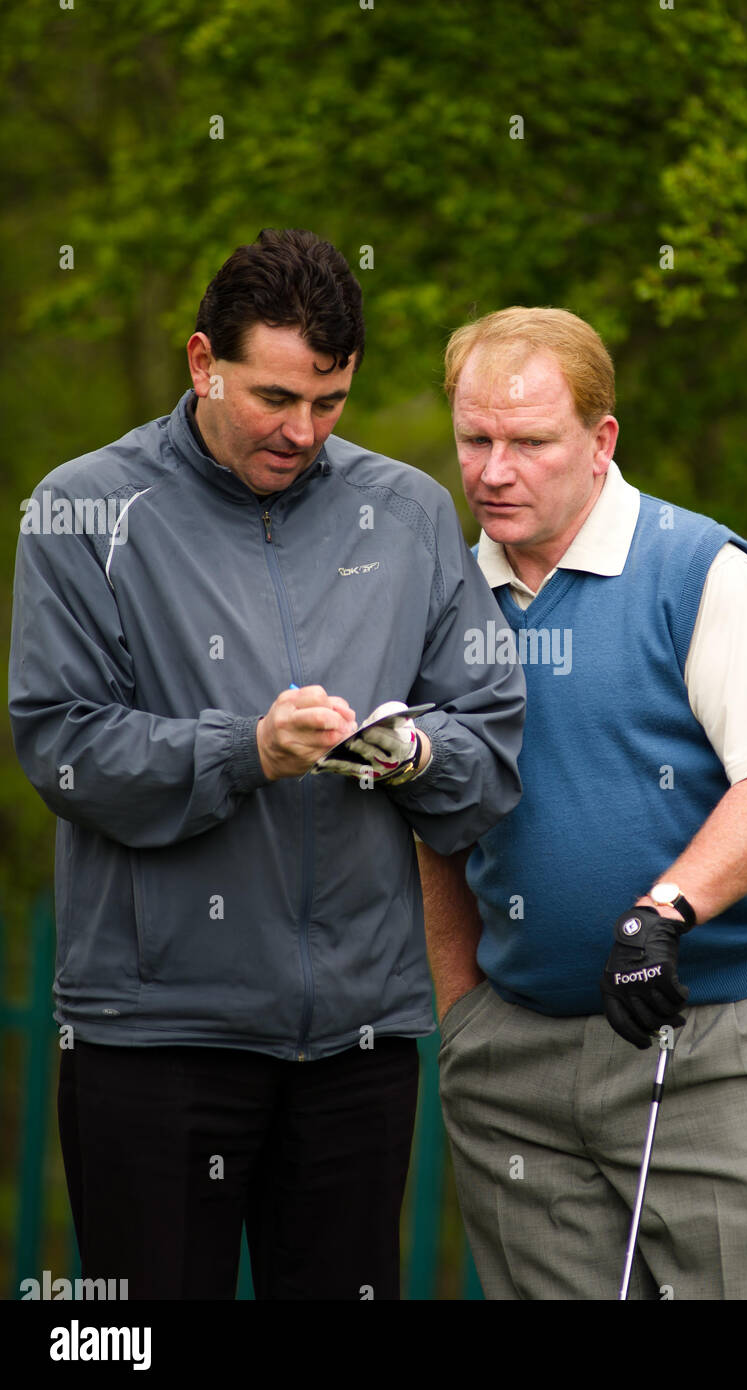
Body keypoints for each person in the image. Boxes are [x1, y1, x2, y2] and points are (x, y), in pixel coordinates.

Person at [8, 229, 524, 1300]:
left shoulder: (413, 513)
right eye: (274, 397)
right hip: (154, 1040)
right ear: (203, 363)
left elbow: (492, 746)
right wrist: (244, 750)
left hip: (358, 1040)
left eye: (329, 403)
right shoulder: (82, 508)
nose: (301, 432)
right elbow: (59, 743)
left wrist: (417, 754)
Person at [419, 306, 747, 1300]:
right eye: (474, 439)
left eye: (527, 442)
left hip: (710, 1046)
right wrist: (461, 1019)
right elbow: (428, 815)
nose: (492, 469)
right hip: (511, 1062)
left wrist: (664, 910)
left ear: (600, 441)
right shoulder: (440, 602)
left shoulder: (697, 571)